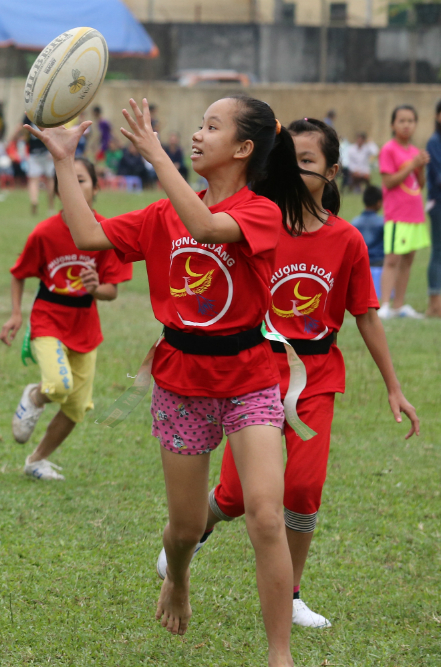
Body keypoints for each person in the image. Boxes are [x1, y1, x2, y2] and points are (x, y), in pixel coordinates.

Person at [30, 96, 323, 666]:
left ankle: (279, 656)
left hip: (249, 379)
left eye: (212, 126)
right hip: (180, 382)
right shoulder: (161, 215)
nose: (197, 134)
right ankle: (179, 577)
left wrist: (155, 155)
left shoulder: (260, 210)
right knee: (185, 529)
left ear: (242, 149)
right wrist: (65, 161)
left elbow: (208, 226)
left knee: (266, 513)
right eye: (199, 124)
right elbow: (87, 235)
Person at [158, 118, 420, 631]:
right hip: (254, 370)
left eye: (308, 162)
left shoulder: (345, 239)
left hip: (316, 374)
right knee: (235, 497)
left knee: (302, 489)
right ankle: (188, 534)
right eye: (289, 160)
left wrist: (393, 386)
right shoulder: (257, 222)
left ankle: (293, 591)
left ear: (333, 172)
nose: (296, 172)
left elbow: (365, 312)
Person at [1, 157, 132, 481]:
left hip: (86, 325)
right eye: (67, 181)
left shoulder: (106, 233)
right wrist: (17, 314)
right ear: (59, 190)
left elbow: (112, 291)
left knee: (75, 407)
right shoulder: (45, 232)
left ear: (96, 188)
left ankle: (36, 460)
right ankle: (35, 395)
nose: (74, 186)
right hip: (48, 319)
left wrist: (95, 287)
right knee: (58, 385)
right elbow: (19, 273)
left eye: (82, 180)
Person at [378, 105, 430, 319]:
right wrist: (412, 166)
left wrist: (421, 167)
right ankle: (383, 306)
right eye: (402, 121)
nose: (407, 125)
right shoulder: (389, 149)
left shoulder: (415, 152)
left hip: (415, 215)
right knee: (392, 260)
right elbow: (389, 181)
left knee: (408, 260)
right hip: (397, 214)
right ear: (392, 124)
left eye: (410, 120)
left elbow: (421, 184)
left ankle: (399, 306)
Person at [17, 116, 56, 215]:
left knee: (33, 179)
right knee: (50, 179)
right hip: (48, 150)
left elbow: (22, 129)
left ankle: (34, 200)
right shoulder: (48, 112)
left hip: (33, 152)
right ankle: (51, 206)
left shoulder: (29, 114)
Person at [353, 185, 386, 298]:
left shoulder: (354, 223)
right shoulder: (382, 222)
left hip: (361, 263)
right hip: (379, 262)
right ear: (378, 202)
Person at [426, 99, 441, 317]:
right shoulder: (434, 142)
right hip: (438, 204)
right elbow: (438, 178)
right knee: (438, 252)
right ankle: (435, 305)